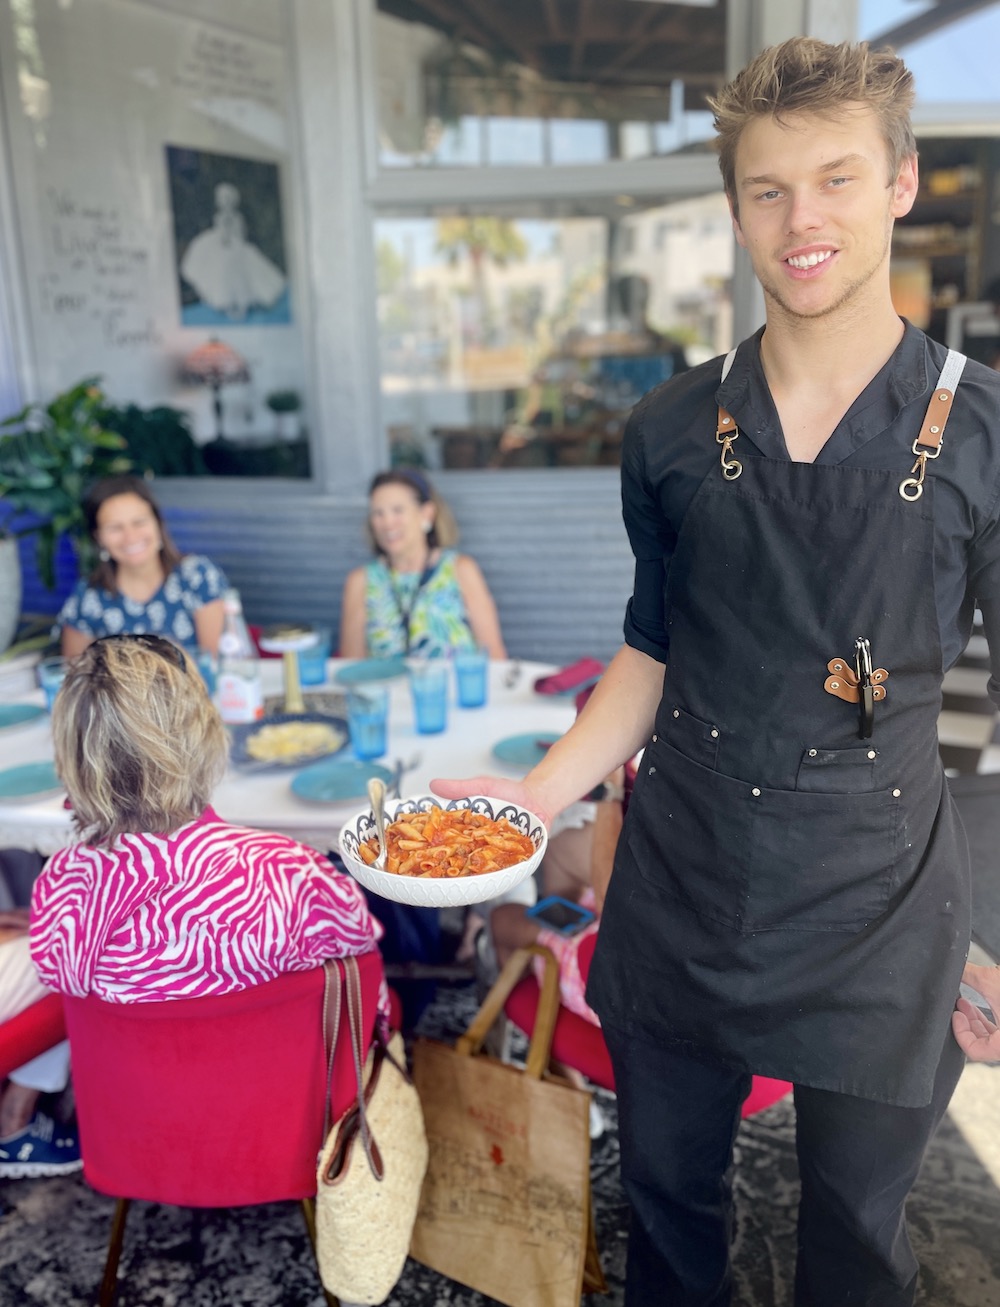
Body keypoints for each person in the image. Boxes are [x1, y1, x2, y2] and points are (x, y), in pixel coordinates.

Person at [434, 36, 1000, 1307]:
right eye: (767, 189)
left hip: (884, 899)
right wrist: (524, 806)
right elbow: (650, 651)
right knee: (668, 1206)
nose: (802, 220)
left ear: (901, 183)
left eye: (837, 178)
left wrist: (993, 935)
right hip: (681, 884)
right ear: (735, 205)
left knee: (856, 1235)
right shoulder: (671, 427)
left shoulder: (982, 436)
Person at [25, 633, 385, 1064]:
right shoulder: (293, 875)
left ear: (71, 759)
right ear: (200, 735)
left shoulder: (58, 891)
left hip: (141, 1118)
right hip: (292, 1105)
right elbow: (363, 985)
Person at [339, 468, 506, 659]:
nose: (387, 523)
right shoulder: (360, 581)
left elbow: (495, 658)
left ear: (426, 514)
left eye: (397, 510)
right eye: (378, 513)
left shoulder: (461, 570)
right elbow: (351, 666)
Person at [57, 475, 227, 657]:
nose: (130, 537)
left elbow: (212, 665)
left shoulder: (197, 576)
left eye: (139, 522)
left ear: (158, 523)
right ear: (99, 537)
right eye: (115, 528)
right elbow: (75, 675)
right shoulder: (88, 597)